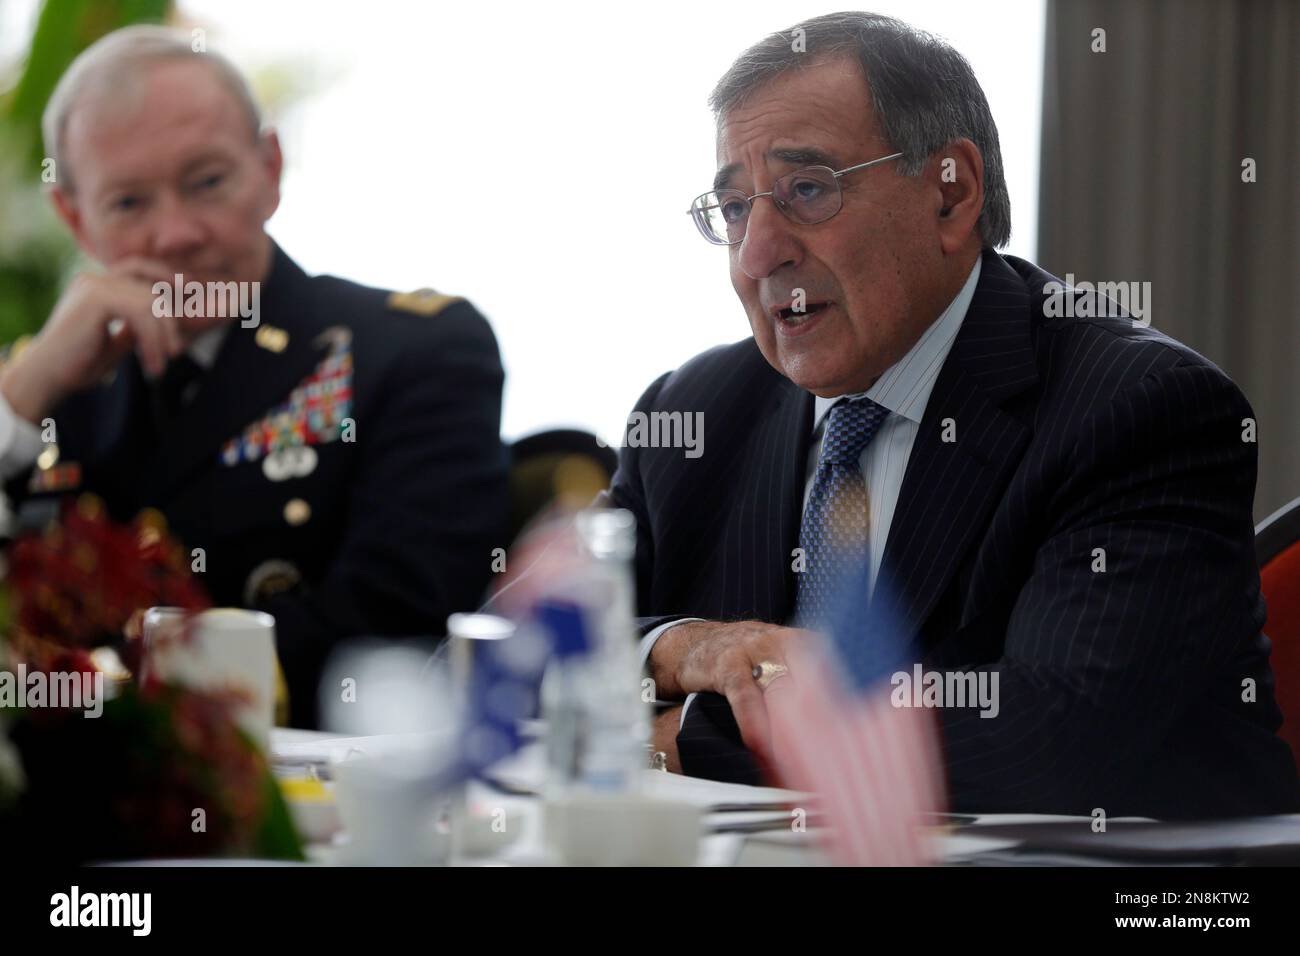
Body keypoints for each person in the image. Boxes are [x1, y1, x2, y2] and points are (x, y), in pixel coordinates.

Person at [608, 11, 1300, 817]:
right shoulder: (691, 416)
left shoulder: (1136, 407)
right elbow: (487, 654)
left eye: (806, 190)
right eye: (734, 210)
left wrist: (679, 740)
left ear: (952, 194)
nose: (759, 253)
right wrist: (689, 648)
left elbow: (1053, 736)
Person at [0, 27, 508, 729]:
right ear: (74, 218)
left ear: (269, 167)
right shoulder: (47, 389)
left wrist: (100, 689)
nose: (175, 234)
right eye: (129, 204)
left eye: (207, 182)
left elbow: (393, 634)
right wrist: (21, 395)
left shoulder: (412, 349)